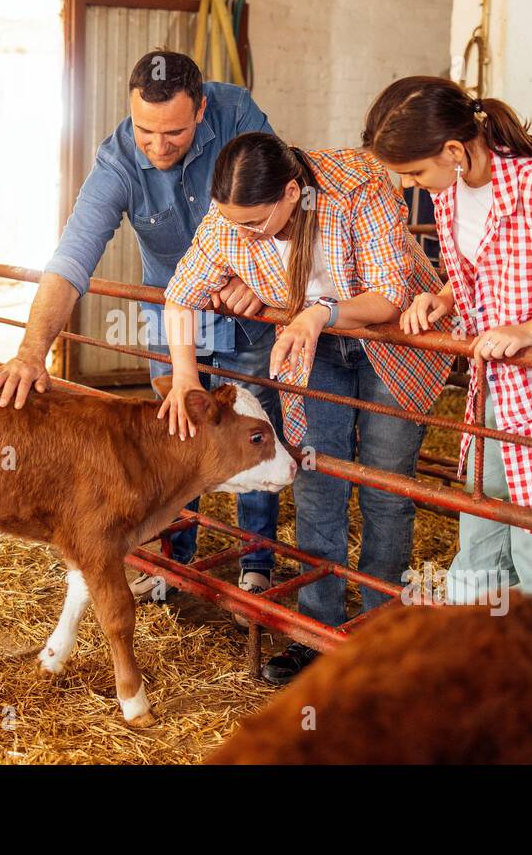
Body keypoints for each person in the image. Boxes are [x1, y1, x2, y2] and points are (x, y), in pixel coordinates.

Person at [0, 50, 281, 604]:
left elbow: (278, 198)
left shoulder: (238, 114)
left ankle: (255, 564)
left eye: (174, 132)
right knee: (175, 435)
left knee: (249, 428)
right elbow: (73, 256)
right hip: (173, 316)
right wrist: (30, 351)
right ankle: (173, 561)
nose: (158, 146)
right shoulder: (117, 159)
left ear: (203, 110)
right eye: (145, 130)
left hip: (248, 313)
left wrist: (261, 280)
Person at [161, 133, 453, 683]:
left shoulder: (357, 187)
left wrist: (317, 312)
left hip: (393, 340)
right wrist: (184, 377)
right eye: (231, 221)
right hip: (312, 346)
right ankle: (319, 635)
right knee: (318, 478)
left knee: (386, 487)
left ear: (292, 193)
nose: (239, 233)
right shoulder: (232, 218)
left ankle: (380, 637)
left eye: (252, 223)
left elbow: (388, 297)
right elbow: (181, 293)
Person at [363, 76, 532, 648]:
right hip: (498, 387)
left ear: (453, 150)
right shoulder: (448, 192)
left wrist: (529, 331)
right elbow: (471, 273)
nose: (410, 184)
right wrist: (440, 297)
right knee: (483, 526)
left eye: (413, 172)